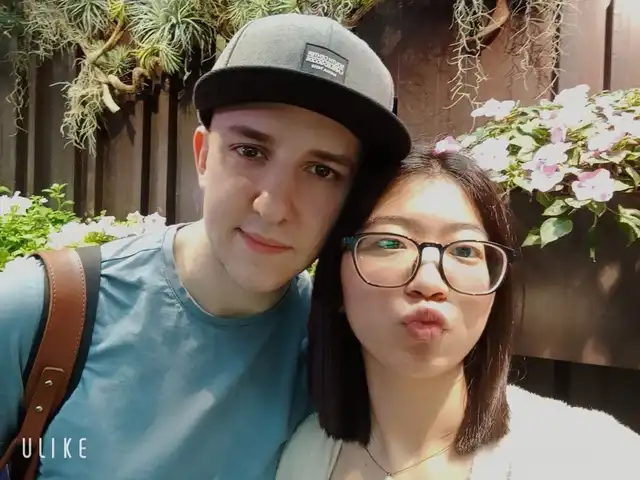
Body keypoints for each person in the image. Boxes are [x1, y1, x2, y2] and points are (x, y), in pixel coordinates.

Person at [0, 13, 411, 480]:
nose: (273, 206)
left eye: (322, 171)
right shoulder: (42, 311)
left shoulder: (339, 354)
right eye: (250, 151)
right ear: (202, 156)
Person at [275, 146, 640, 480]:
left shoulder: (593, 456)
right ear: (335, 282)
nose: (428, 281)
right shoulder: (302, 456)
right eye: (389, 242)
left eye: (465, 250)